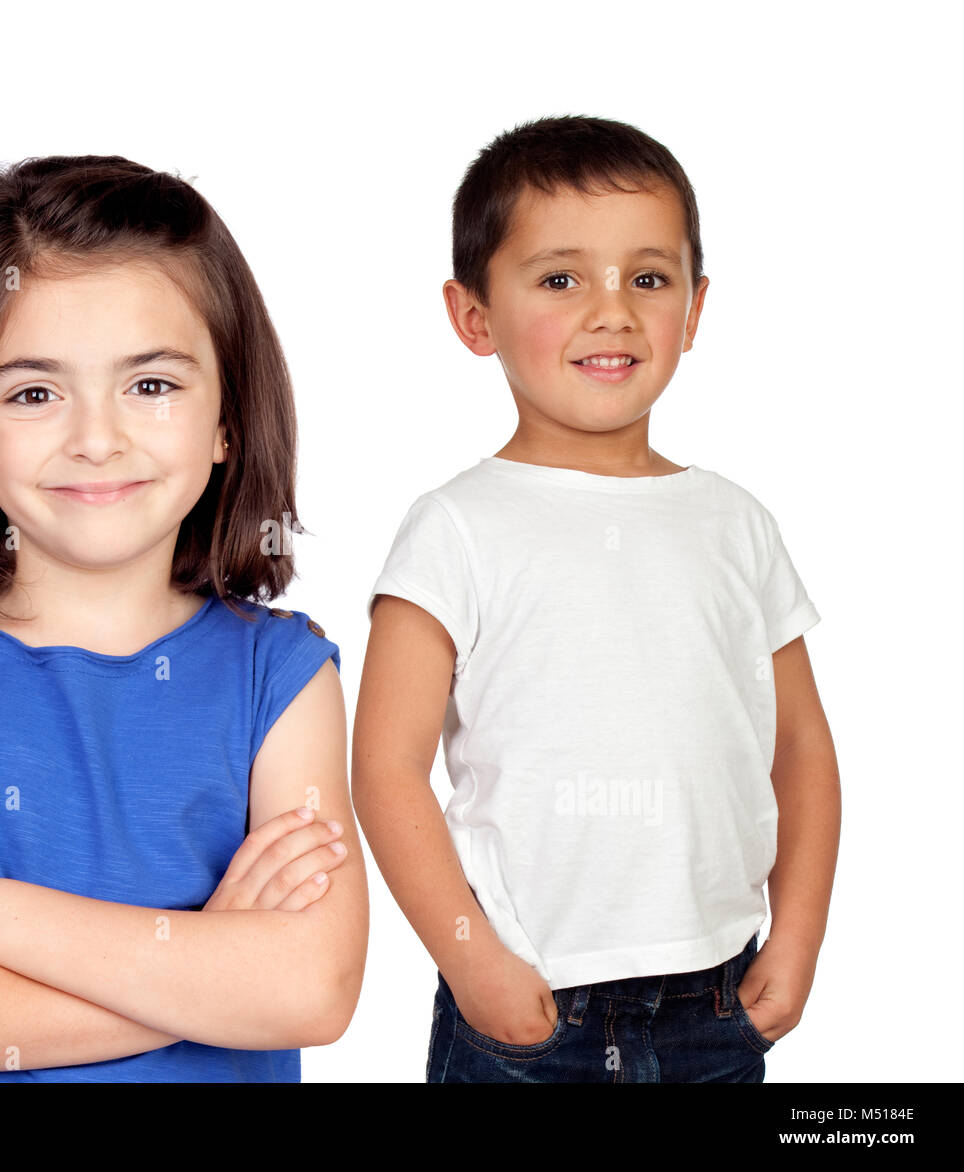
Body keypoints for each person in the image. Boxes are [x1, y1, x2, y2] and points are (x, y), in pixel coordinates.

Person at [0, 156, 367, 1082]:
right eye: (33, 393)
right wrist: (206, 965)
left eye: (151, 386)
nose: (97, 438)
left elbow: (310, 989)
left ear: (229, 417)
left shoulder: (284, 676)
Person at [352, 115, 840, 1083]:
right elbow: (385, 768)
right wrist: (470, 956)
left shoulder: (733, 522)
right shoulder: (455, 525)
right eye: (560, 278)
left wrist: (797, 938)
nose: (611, 311)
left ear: (694, 309)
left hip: (715, 998)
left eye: (647, 279)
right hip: (529, 1004)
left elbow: (801, 749)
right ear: (472, 315)